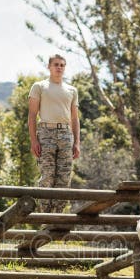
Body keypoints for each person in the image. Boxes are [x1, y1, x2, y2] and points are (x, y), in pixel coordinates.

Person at [28, 54, 80, 213]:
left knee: (64, 177)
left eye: (62, 65)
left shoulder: (72, 90)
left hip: (65, 134)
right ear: (49, 67)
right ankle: (45, 214)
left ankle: (57, 216)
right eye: (56, 64)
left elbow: (75, 118)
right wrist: (34, 141)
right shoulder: (39, 86)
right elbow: (32, 115)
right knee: (47, 175)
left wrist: (77, 143)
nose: (59, 67)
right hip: (45, 133)